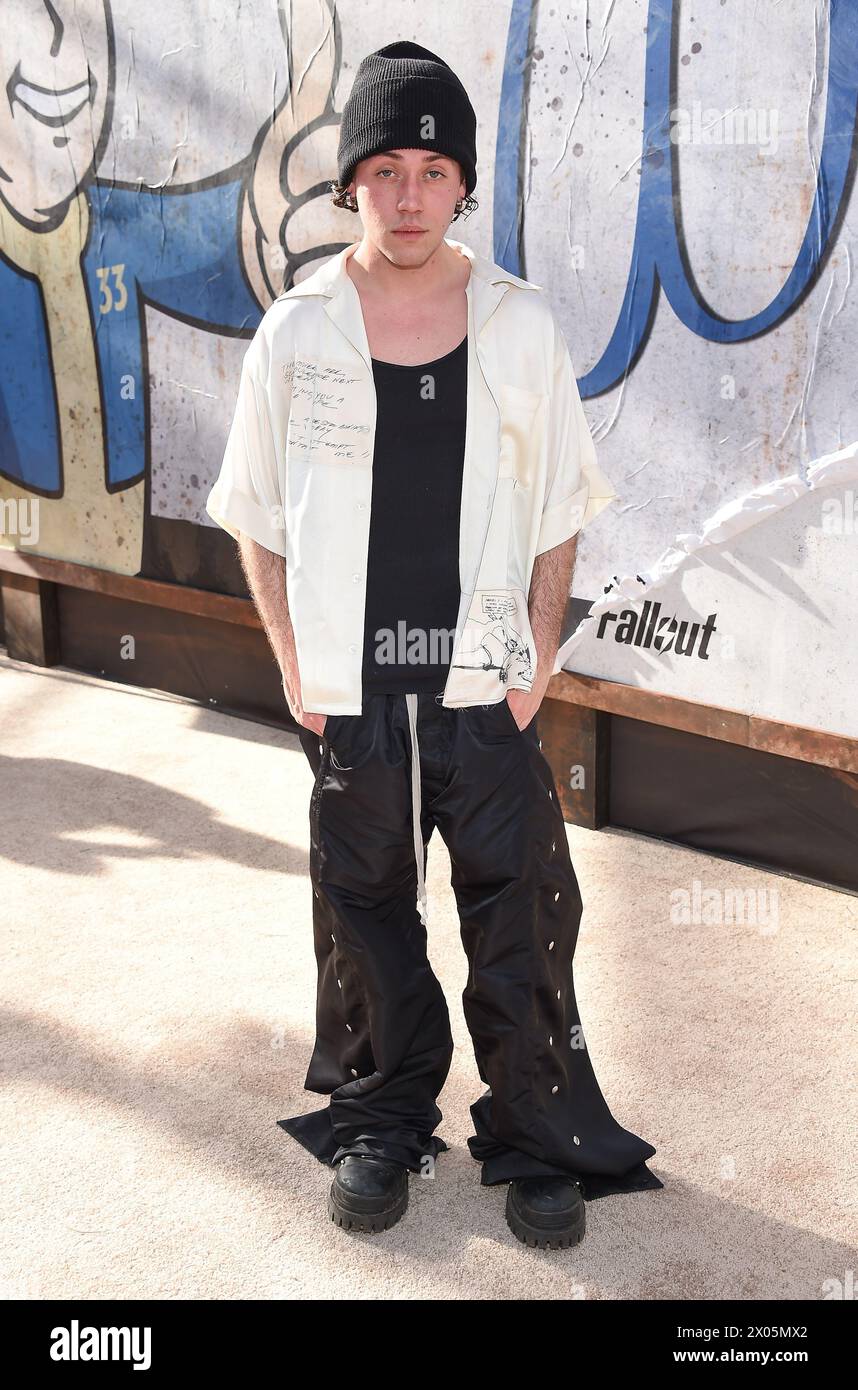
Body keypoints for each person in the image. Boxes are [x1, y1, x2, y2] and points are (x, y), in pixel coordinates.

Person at [206, 40, 663, 1249]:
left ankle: (534, 1132)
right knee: (363, 908)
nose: (409, 196)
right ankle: (381, 1115)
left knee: (521, 908)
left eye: (433, 169)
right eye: (386, 169)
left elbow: (563, 508)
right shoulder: (296, 333)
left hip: (482, 682)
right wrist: (296, 668)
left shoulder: (518, 328)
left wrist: (540, 666)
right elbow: (254, 515)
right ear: (353, 181)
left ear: (463, 185)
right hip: (354, 687)